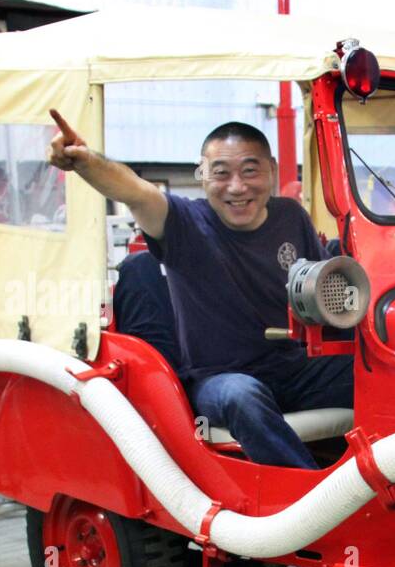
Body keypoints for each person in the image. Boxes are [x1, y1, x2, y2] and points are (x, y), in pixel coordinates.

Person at [46, 110, 352, 468]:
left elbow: (322, 295)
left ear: (271, 169)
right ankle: (317, 504)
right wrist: (85, 161)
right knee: (242, 396)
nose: (237, 187)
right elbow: (137, 193)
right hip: (220, 380)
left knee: (386, 368)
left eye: (250, 170)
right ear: (202, 175)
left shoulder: (291, 216)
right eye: (221, 173)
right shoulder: (186, 224)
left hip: (296, 369)